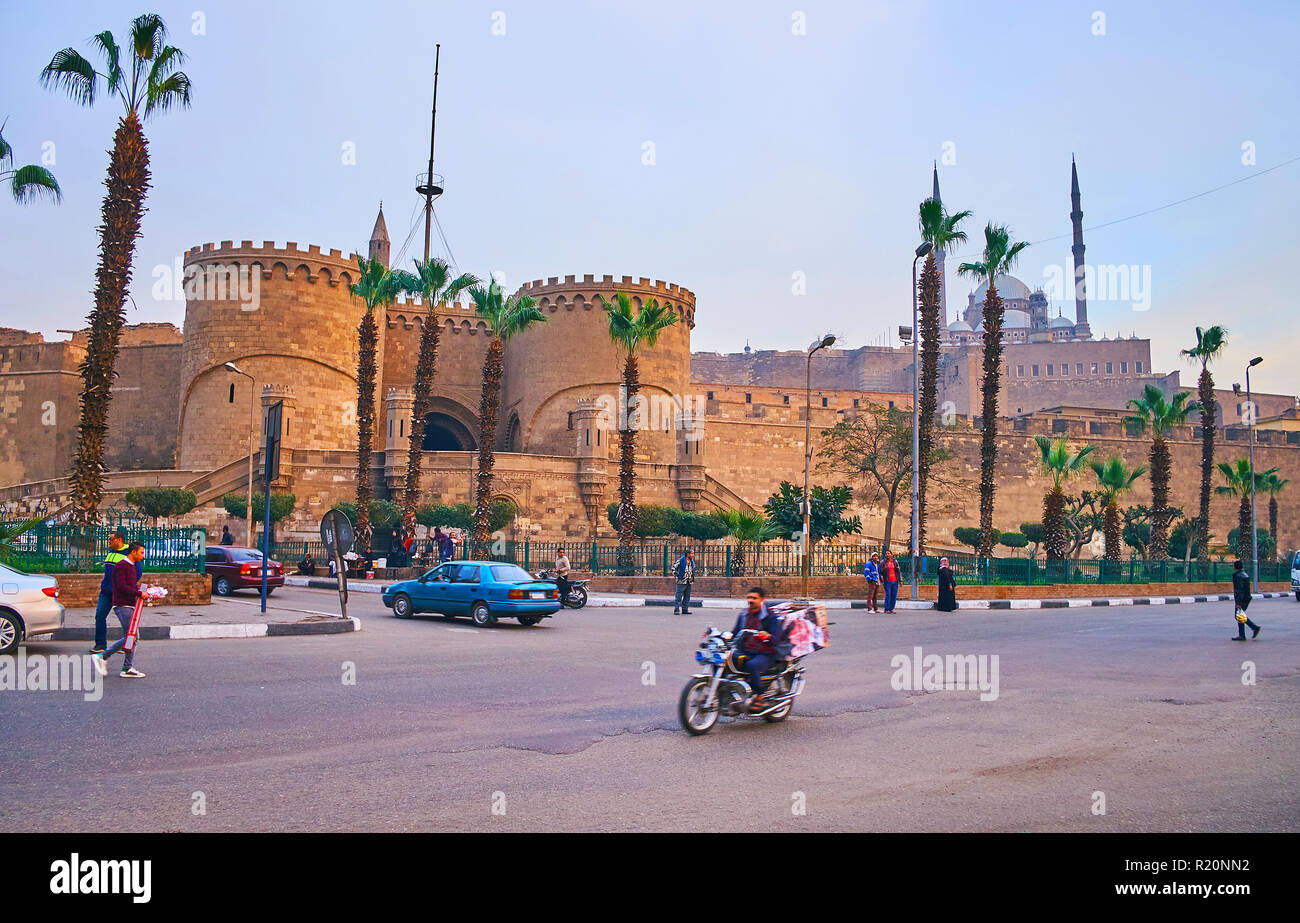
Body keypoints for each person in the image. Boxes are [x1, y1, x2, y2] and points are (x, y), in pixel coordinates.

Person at [730, 587, 791, 710]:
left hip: (767, 653)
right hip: (746, 650)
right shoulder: (743, 615)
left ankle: (759, 695)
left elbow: (776, 639)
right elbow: (735, 633)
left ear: (762, 599)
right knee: (723, 660)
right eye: (749, 597)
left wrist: (768, 636)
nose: (750, 600)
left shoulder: (770, 616)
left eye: (754, 598)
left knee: (753, 665)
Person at [93, 542, 148, 678]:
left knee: (132, 637)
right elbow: (121, 586)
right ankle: (103, 656)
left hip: (129, 604)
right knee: (132, 636)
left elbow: (131, 585)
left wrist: (144, 592)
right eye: (141, 552)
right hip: (122, 604)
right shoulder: (121, 565)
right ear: (133, 552)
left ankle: (126, 668)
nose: (143, 555)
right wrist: (139, 593)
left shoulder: (132, 566)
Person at [91, 531, 128, 654]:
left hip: (120, 592)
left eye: (111, 539)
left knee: (125, 619)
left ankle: (127, 645)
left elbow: (137, 573)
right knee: (100, 616)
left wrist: (124, 586)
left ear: (119, 540)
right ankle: (100, 644)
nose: (109, 541)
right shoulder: (111, 553)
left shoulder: (128, 553)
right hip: (106, 591)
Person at [1231, 559, 1261, 641]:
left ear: (1235, 567)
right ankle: (1245, 633)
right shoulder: (1244, 574)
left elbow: (1239, 591)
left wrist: (1238, 603)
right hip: (1246, 598)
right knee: (1239, 615)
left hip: (1242, 599)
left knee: (1239, 615)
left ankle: (1252, 628)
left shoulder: (1238, 576)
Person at [673, 549, 695, 615]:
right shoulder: (680, 560)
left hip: (689, 581)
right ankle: (676, 610)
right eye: (691, 554)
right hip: (681, 581)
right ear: (688, 554)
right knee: (678, 597)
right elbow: (673, 568)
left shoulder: (692, 561)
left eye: (693, 554)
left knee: (687, 597)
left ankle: (685, 610)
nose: (693, 555)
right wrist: (678, 577)